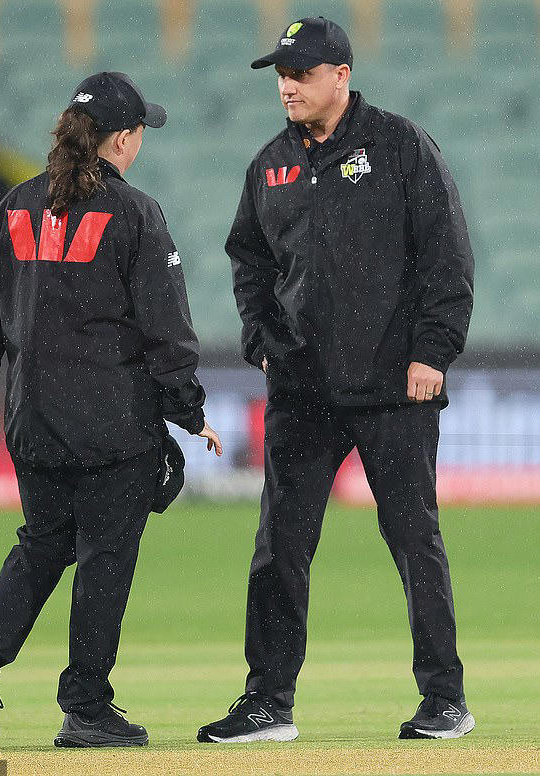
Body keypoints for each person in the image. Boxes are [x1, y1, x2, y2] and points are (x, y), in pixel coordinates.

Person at [198, 18, 474, 743]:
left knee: (414, 542)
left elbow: (446, 252)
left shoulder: (399, 146)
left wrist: (433, 352)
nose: (286, 85)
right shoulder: (269, 164)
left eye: (301, 72)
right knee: (279, 548)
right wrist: (260, 340)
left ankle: (445, 698)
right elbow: (248, 261)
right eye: (280, 74)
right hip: (302, 390)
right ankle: (268, 703)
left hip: (393, 386)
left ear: (341, 76)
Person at [0, 71, 222, 750]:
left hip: (33, 418)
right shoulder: (135, 214)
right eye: (139, 134)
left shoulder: (16, 205)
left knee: (43, 543)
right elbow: (165, 329)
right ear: (121, 141)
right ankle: (87, 707)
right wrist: (188, 410)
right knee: (105, 555)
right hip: (113, 422)